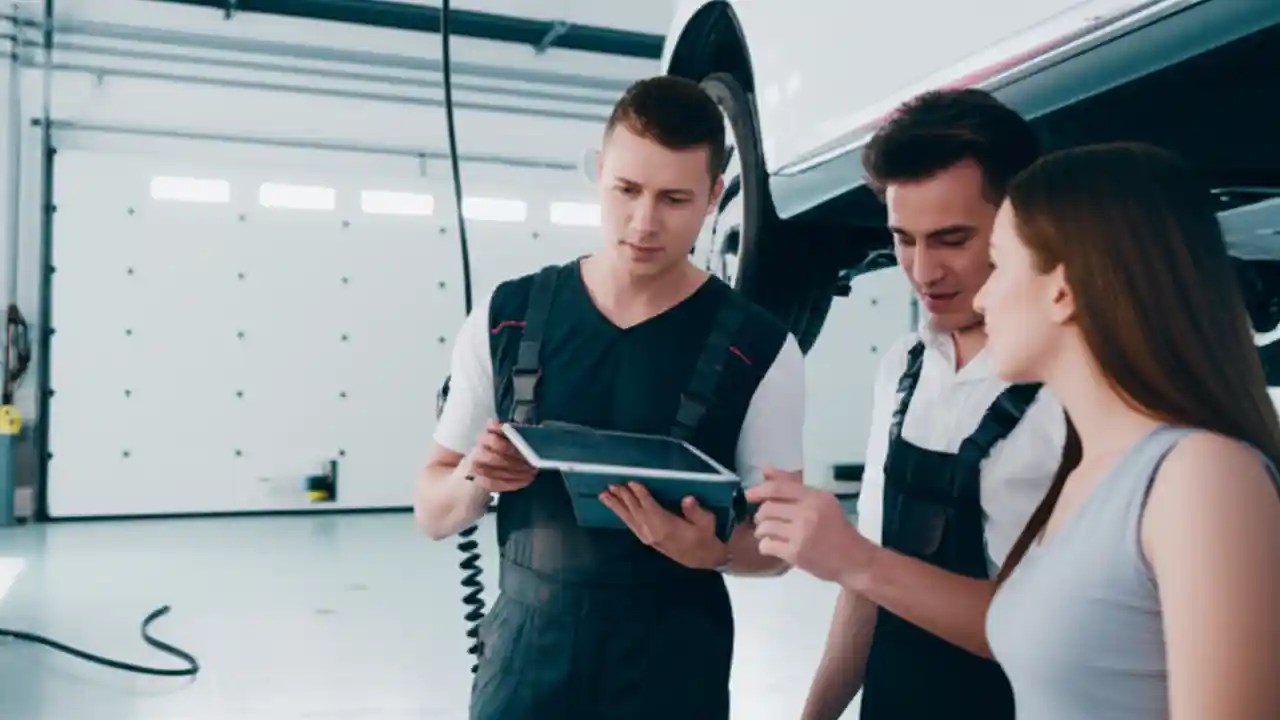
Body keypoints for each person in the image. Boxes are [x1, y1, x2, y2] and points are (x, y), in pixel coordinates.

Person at [413, 74, 806, 720]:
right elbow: (432, 509)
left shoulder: (760, 350)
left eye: (675, 199)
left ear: (714, 196)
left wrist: (716, 551)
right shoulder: (507, 316)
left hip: (673, 669)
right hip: (523, 666)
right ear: (598, 172)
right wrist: (476, 481)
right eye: (627, 190)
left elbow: (780, 543)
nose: (644, 222)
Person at [745, 88, 1067, 720]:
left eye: (951, 239)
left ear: (1023, 224)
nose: (922, 271)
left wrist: (854, 560)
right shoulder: (903, 369)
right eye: (902, 239)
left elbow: (1059, 636)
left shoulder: (1072, 390)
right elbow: (868, 584)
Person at [977, 142, 1280, 718]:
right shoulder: (1086, 470)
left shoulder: (1201, 477)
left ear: (1062, 290)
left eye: (997, 265)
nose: (981, 297)